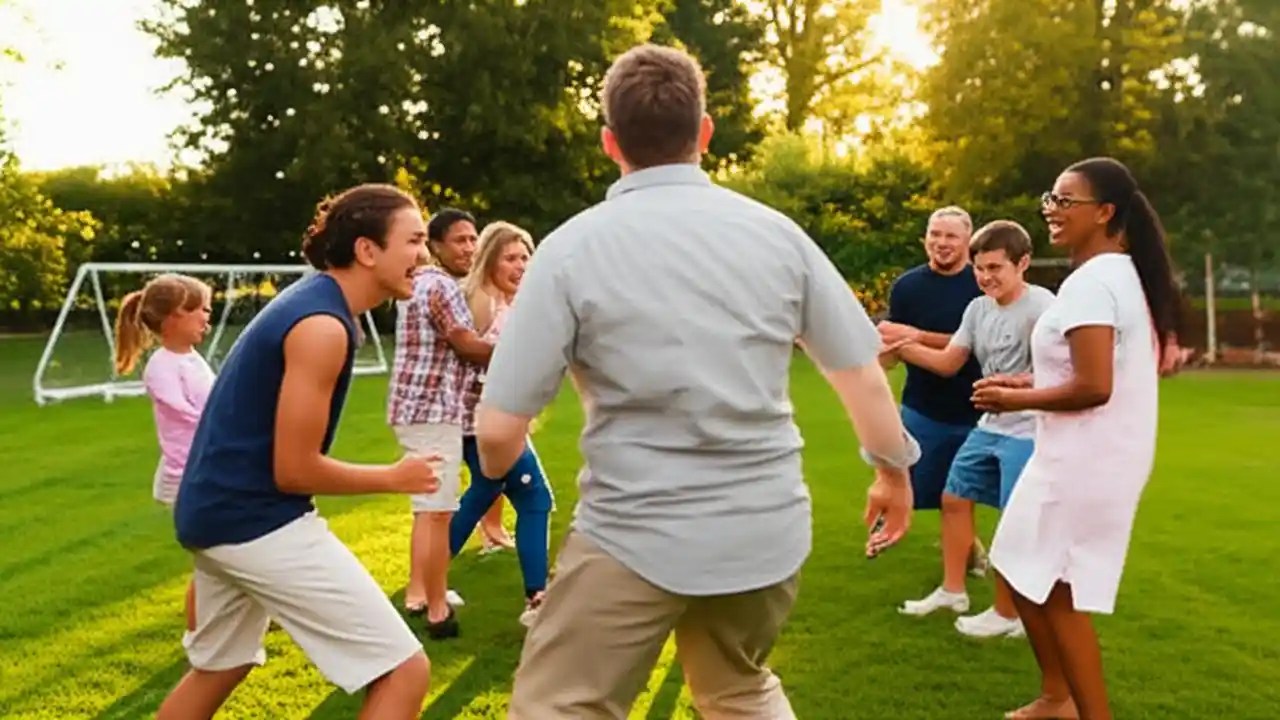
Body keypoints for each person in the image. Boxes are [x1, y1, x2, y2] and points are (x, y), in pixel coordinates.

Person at [473, 43, 918, 719]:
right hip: (763, 528)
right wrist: (892, 472)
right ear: (705, 133)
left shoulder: (568, 249)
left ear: (609, 142)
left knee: (558, 705)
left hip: (633, 530)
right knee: (738, 687)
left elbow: (499, 427)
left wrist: (498, 474)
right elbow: (860, 375)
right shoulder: (778, 235)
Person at [156, 184, 438, 720]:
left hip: (213, 514)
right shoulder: (321, 327)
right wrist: (394, 476)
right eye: (414, 240)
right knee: (404, 671)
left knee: (220, 665)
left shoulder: (317, 305)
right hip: (254, 520)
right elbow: (294, 470)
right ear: (367, 250)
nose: (422, 256)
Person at [972, 157, 1180, 720]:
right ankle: (1055, 697)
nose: (1051, 210)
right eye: (1050, 198)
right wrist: (1027, 380)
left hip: (1087, 460)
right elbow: (1084, 369)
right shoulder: (1113, 274)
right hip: (1075, 454)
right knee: (1016, 567)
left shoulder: (1095, 280)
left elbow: (1094, 386)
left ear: (1105, 212)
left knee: (1058, 592)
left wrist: (1014, 399)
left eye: (1066, 202)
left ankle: (1086, 713)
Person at [888, 221, 1054, 638]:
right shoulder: (978, 308)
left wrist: (1018, 385)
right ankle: (953, 591)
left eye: (995, 268)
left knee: (1016, 519)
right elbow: (948, 363)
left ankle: (1012, 613)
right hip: (990, 424)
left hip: (1031, 428)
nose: (985, 277)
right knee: (953, 499)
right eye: (980, 269)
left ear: (1024, 264)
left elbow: (1064, 373)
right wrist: (894, 345)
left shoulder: (1042, 308)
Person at [387, 207, 493, 638]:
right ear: (435, 245)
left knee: (428, 511)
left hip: (415, 409)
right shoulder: (442, 286)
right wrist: (518, 350)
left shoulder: (420, 284)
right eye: (460, 240)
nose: (469, 248)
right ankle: (436, 610)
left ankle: (422, 592)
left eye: (473, 239)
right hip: (432, 411)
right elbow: (466, 344)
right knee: (437, 513)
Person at [879, 206, 990, 613]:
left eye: (951, 236)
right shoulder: (907, 287)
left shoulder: (982, 283)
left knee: (957, 495)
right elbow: (893, 343)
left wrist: (916, 337)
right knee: (922, 490)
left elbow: (976, 342)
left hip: (978, 406)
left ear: (968, 241)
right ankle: (972, 549)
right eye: (935, 234)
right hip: (922, 407)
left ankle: (966, 567)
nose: (942, 243)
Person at [449, 221, 554, 627]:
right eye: (510, 257)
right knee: (535, 499)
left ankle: (427, 581)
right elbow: (462, 355)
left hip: (499, 419)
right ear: (490, 260)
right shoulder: (482, 299)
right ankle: (536, 598)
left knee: (486, 491)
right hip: (481, 421)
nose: (520, 265)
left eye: (525, 256)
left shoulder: (511, 302)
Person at [114, 273, 215, 634]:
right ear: (174, 316)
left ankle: (225, 622)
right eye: (201, 310)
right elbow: (186, 411)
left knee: (223, 554)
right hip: (188, 474)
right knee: (214, 557)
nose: (207, 317)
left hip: (207, 465)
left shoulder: (192, 358)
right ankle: (197, 629)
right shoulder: (161, 366)